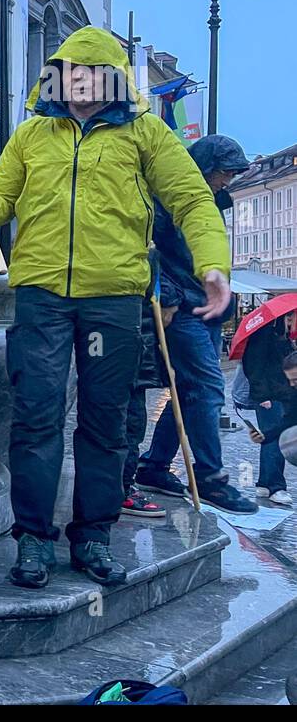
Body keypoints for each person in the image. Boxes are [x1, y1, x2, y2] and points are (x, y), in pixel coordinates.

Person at [0, 27, 230, 590]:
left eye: (90, 71)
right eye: (68, 71)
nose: (78, 81)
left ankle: (94, 536)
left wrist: (212, 265)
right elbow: (0, 205)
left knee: (106, 422)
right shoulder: (32, 135)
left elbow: (193, 200)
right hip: (40, 294)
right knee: (36, 416)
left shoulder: (147, 135)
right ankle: (33, 539)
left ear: (113, 77)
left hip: (115, 297)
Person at [133, 136, 256, 513]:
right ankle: (209, 477)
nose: (227, 181)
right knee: (206, 387)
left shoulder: (209, 202)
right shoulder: (169, 195)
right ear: (205, 168)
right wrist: (168, 296)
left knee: (189, 390)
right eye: (224, 173)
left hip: (203, 305)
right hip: (183, 306)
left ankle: (154, 466)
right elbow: (150, 247)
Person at [241, 316, 297, 507]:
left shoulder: (282, 334)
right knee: (277, 438)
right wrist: (262, 396)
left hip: (282, 393)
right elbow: (253, 365)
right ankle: (275, 486)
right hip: (269, 396)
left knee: (271, 436)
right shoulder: (265, 332)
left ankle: (265, 483)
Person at [119, 291, 167, 518]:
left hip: (138, 352)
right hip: (127, 350)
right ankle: (121, 490)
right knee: (127, 426)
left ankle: (123, 486)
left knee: (133, 425)